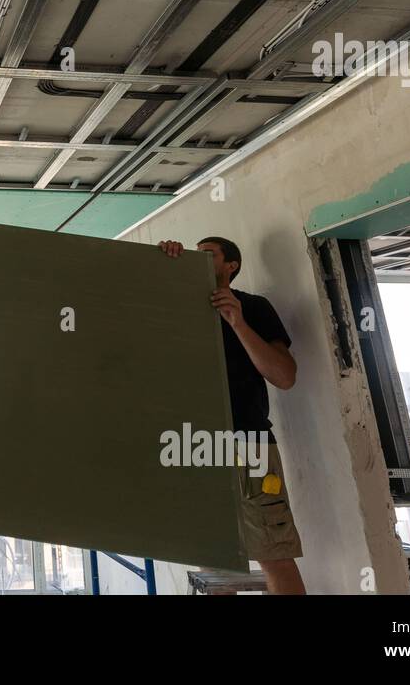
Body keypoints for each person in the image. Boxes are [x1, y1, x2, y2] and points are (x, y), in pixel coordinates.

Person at [158, 236, 306, 595]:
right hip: (190, 445)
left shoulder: (254, 308)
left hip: (248, 444)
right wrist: (163, 264)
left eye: (208, 255)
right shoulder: (179, 308)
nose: (198, 259)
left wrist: (237, 321)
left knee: (274, 555)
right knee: (213, 561)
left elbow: (284, 376)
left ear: (231, 266)